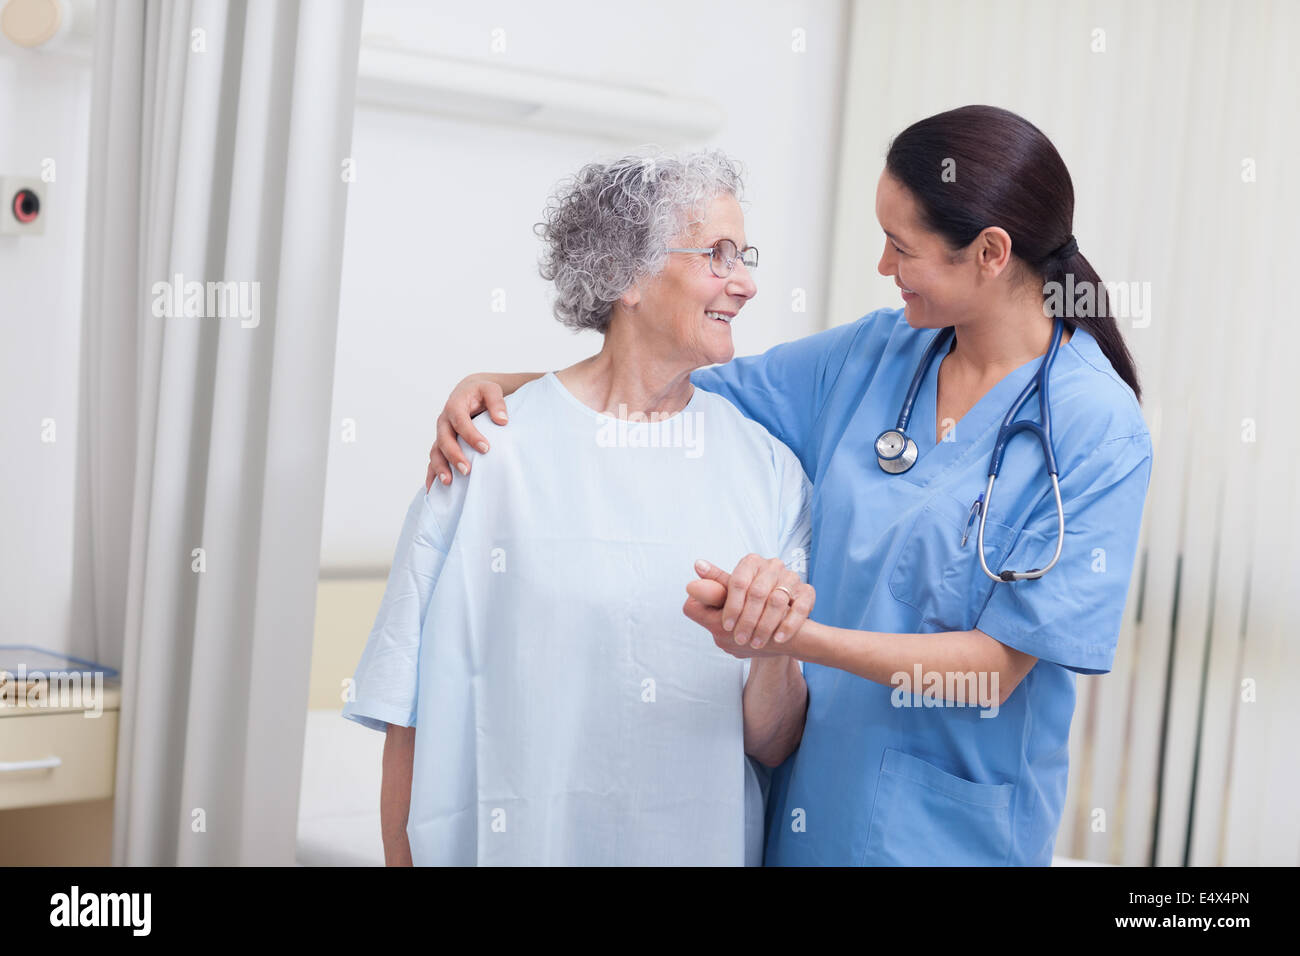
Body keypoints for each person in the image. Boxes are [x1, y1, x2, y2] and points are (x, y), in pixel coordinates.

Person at [424, 106, 1154, 865]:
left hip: (951, 832)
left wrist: (789, 640)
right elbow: (678, 382)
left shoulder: (1096, 429)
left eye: (900, 247)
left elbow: (996, 672)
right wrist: (508, 387)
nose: (882, 267)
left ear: (991, 252)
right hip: (806, 810)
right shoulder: (880, 352)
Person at [343, 150, 814, 866]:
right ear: (626, 272)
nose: (746, 282)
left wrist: (774, 649)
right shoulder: (486, 452)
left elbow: (774, 742)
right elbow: (405, 716)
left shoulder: (770, 472)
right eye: (718, 254)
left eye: (743, 255)